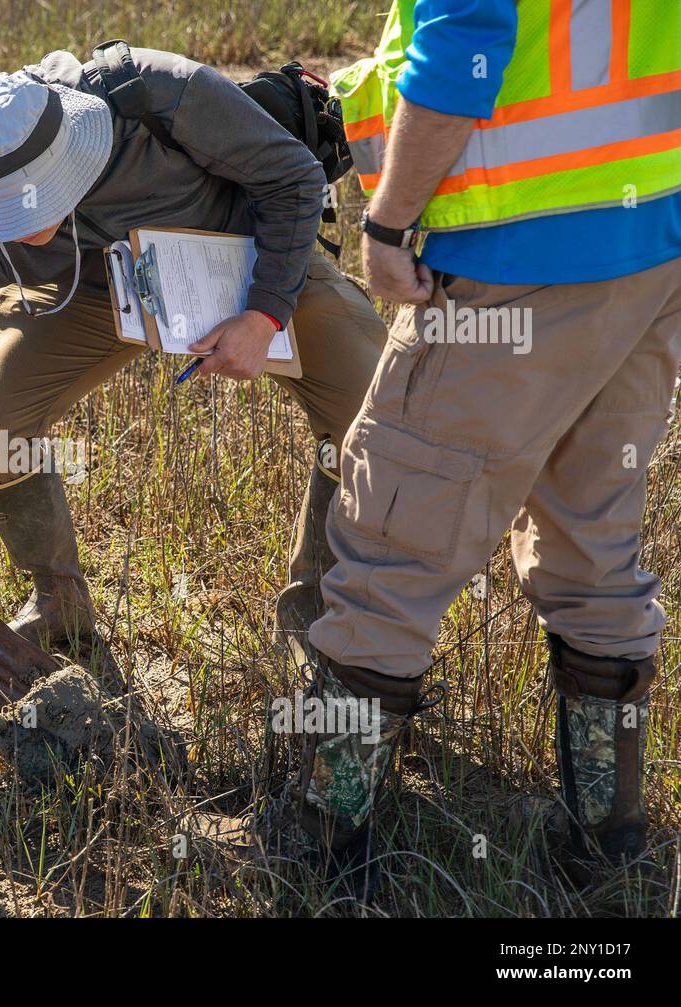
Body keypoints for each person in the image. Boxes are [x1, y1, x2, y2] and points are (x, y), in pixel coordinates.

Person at [285, 0, 680, 889]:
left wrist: (387, 229)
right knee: (597, 543)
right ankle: (606, 851)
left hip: (514, 257)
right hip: (653, 243)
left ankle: (322, 854)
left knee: (392, 544)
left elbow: (465, 47)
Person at [0, 44, 387, 672]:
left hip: (238, 252)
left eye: (31, 207)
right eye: (2, 212)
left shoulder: (158, 95)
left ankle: (315, 621)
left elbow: (294, 177)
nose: (15, 228)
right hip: (88, 290)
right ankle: (60, 616)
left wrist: (263, 316)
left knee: (372, 400)